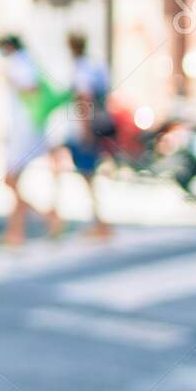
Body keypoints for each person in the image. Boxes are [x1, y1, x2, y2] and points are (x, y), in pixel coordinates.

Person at [0, 34, 63, 246]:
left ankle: (47, 217)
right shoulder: (27, 61)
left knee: (10, 180)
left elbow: (32, 88)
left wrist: (13, 82)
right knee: (14, 181)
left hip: (24, 131)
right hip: (27, 128)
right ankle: (15, 233)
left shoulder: (19, 64)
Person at [61, 31, 113, 239]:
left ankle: (100, 223)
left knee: (87, 174)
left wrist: (85, 130)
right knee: (86, 174)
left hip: (83, 129)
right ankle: (98, 222)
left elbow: (84, 99)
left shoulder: (82, 70)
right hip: (90, 126)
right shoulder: (94, 66)